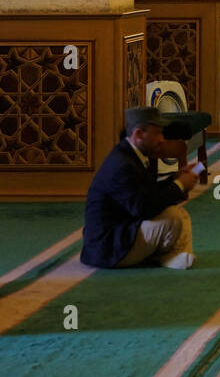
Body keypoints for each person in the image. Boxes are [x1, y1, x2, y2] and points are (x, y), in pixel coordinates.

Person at [80, 107, 199, 270]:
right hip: (110, 247)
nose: (162, 139)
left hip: (124, 231)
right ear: (138, 134)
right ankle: (168, 256)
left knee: (180, 214)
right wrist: (179, 186)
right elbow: (144, 208)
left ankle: (171, 255)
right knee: (173, 218)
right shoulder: (122, 165)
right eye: (157, 133)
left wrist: (175, 178)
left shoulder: (134, 155)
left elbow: (148, 193)